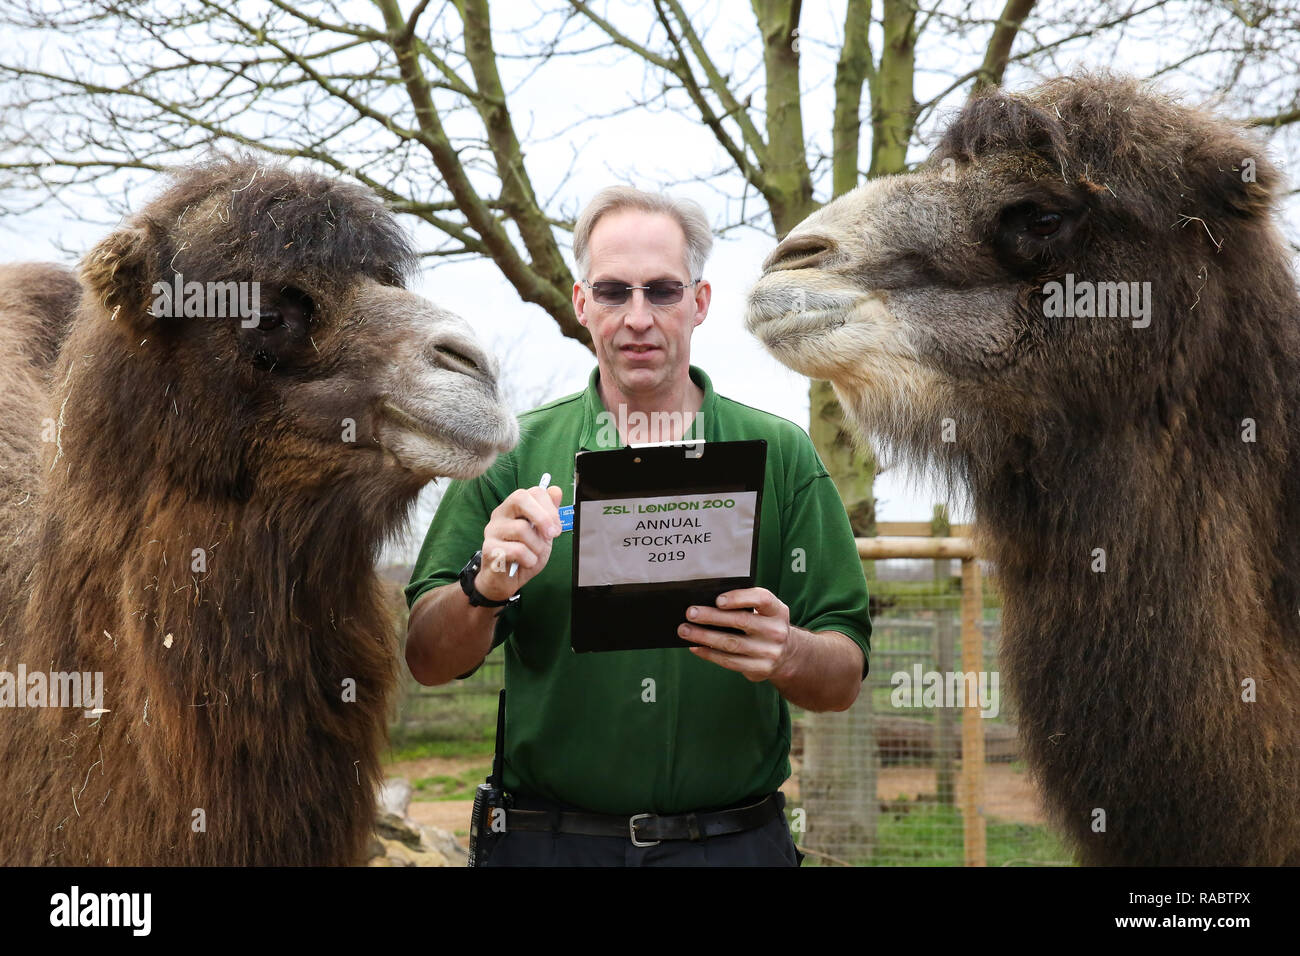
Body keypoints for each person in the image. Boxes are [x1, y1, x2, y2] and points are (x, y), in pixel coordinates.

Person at [403, 186, 871, 866]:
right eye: (615, 292)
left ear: (700, 303)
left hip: (733, 846)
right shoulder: (514, 457)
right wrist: (484, 586)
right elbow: (426, 658)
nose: (639, 318)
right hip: (548, 845)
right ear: (581, 303)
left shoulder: (783, 454)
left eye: (663, 291)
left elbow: (845, 674)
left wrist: (790, 652)